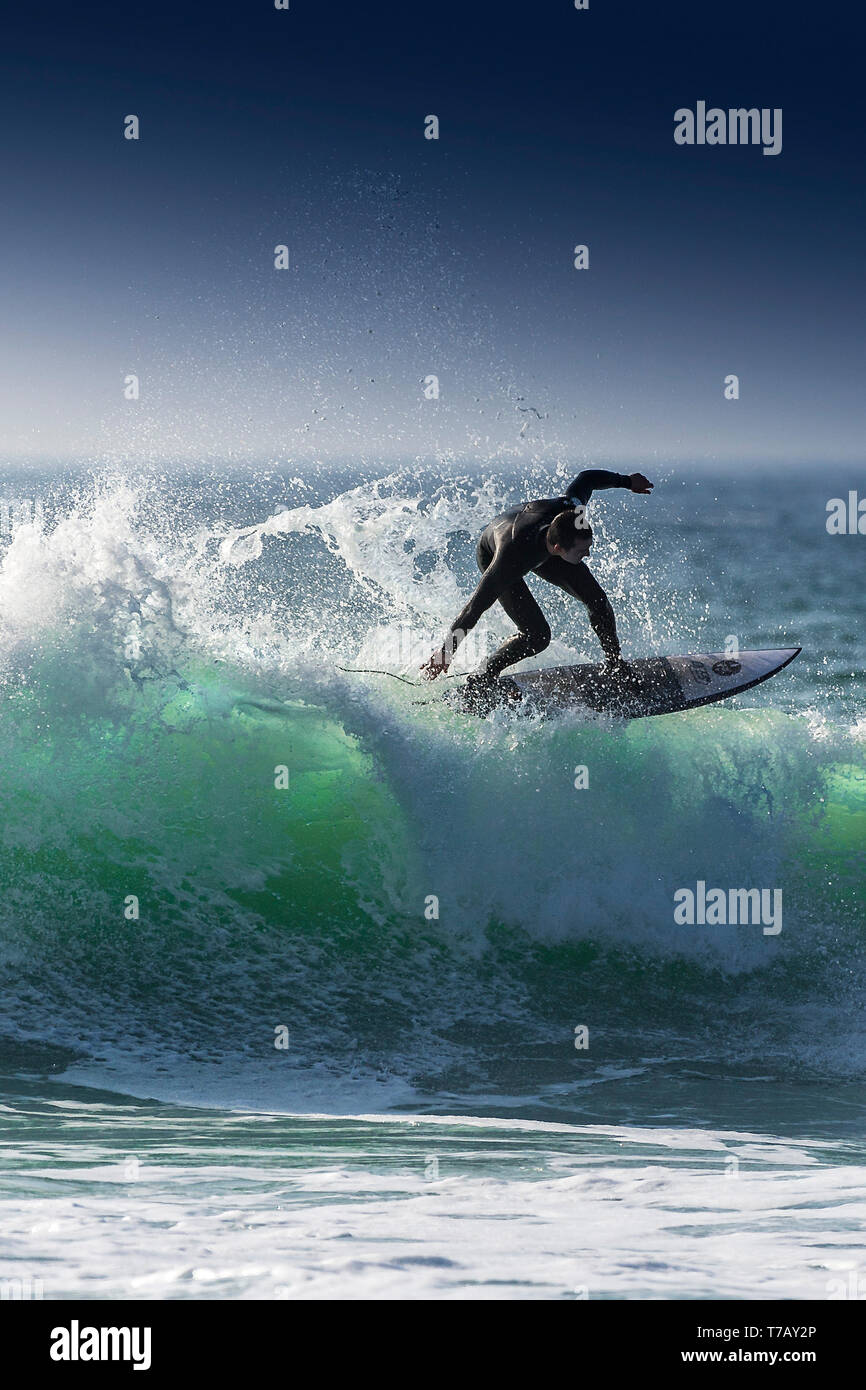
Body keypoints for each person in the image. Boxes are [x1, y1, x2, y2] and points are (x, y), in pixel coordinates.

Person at [420, 470, 653, 695]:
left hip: (543, 540)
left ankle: (615, 665)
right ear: (560, 549)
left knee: (598, 600)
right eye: (583, 550)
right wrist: (445, 653)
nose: (588, 555)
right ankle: (482, 677)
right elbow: (473, 609)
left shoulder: (572, 511)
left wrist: (626, 481)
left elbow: (587, 478)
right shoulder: (511, 559)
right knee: (537, 636)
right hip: (495, 550)